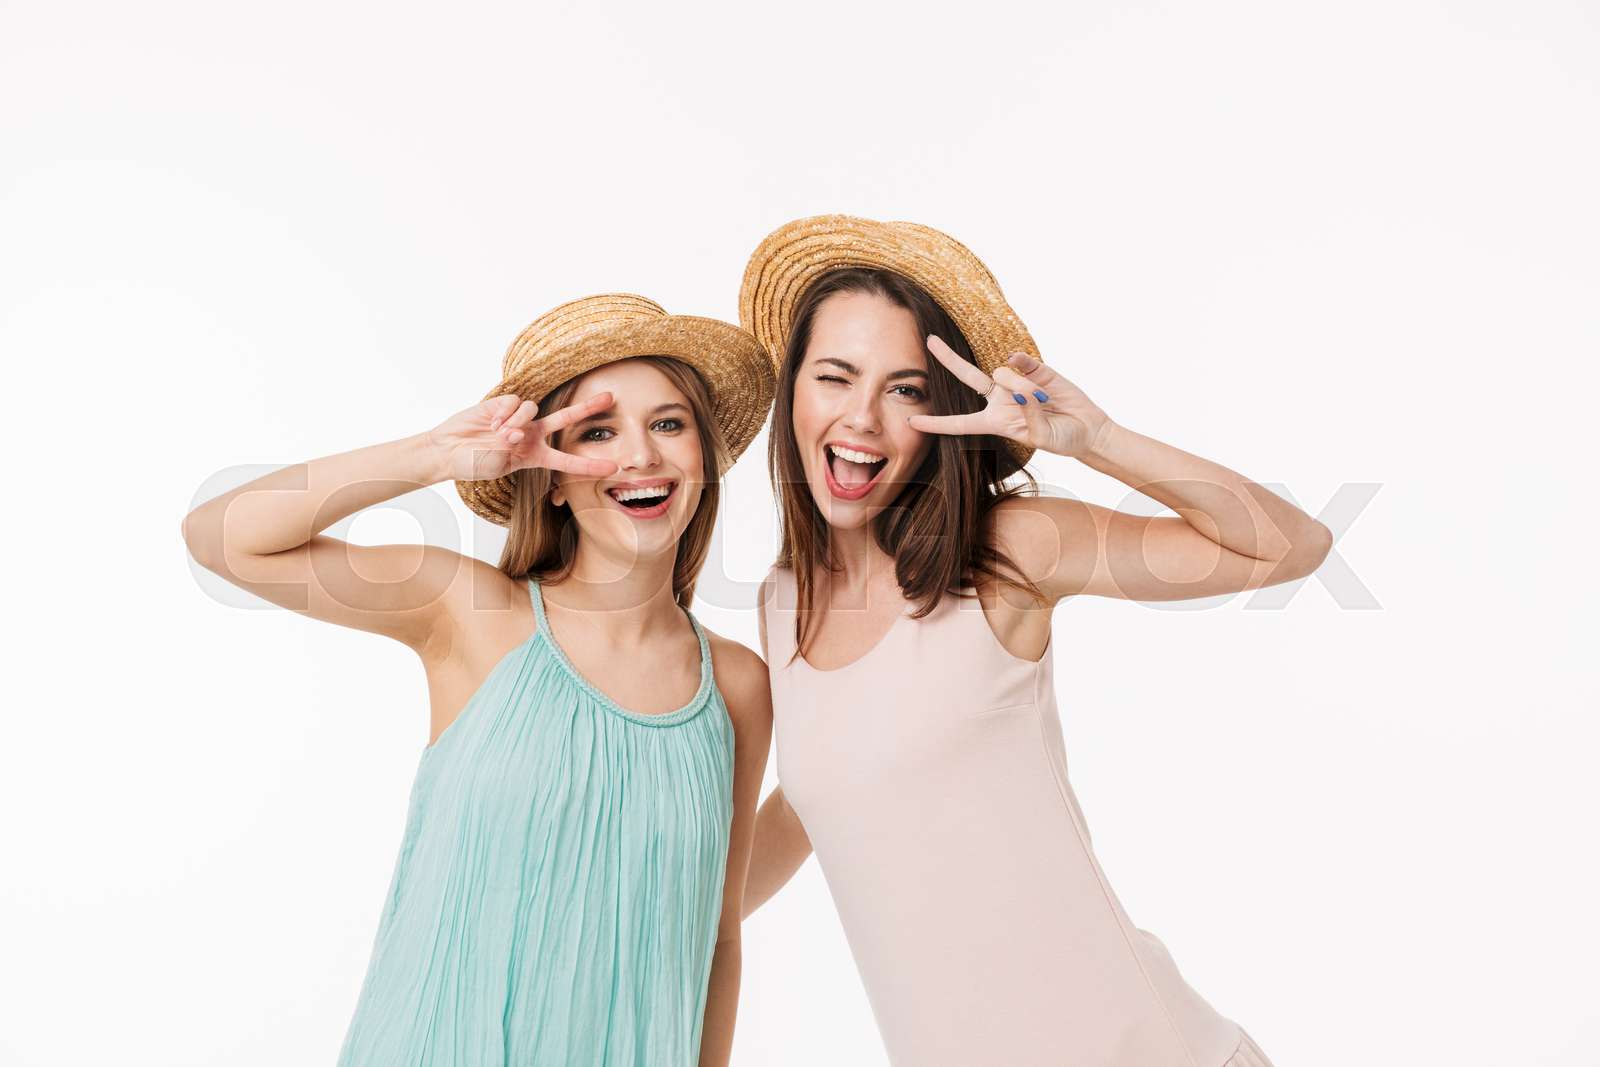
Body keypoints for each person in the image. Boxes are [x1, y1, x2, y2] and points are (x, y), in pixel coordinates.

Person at [736, 215, 1329, 1066]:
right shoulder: (781, 599)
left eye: (904, 389)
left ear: (944, 412)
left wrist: (1101, 442)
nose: (862, 417)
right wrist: (675, 920)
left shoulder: (1007, 550)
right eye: (835, 376)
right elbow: (824, 786)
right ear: (793, 390)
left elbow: (1289, 546)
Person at [181, 293, 776, 1066]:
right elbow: (221, 540)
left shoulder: (737, 684)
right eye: (598, 431)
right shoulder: (471, 613)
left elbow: (719, 935)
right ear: (554, 481)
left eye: (668, 424)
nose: (640, 455)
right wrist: (432, 455)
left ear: (705, 462)